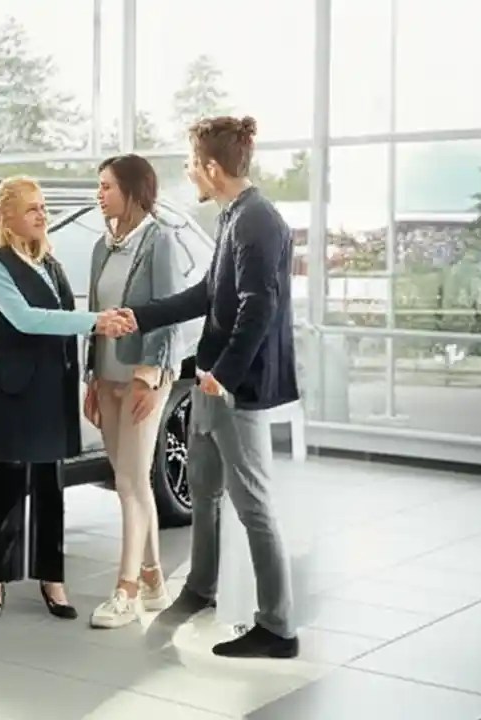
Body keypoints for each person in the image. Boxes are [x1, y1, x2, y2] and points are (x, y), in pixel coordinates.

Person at [114, 116, 301, 658]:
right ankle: (201, 587)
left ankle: (278, 628)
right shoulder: (232, 217)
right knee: (204, 491)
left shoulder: (258, 222)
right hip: (211, 377)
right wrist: (140, 316)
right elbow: (207, 295)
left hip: (231, 388)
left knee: (254, 505)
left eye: (192, 164)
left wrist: (225, 377)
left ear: (213, 168)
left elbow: (258, 307)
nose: (189, 172)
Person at [0, 175, 133, 621]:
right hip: (16, 390)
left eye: (42, 207)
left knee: (50, 488)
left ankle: (52, 580)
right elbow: (26, 319)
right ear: (7, 218)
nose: (42, 215)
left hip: (52, 389)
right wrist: (95, 321)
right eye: (32, 209)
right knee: (5, 488)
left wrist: (87, 375)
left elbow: (61, 319)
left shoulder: (52, 263)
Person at [82, 155, 191, 629]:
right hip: (107, 376)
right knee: (132, 480)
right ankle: (153, 581)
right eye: (99, 185)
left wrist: (150, 376)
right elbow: (95, 316)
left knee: (127, 481)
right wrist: (91, 377)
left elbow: (168, 312)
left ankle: (125, 590)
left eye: (106, 186)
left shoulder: (159, 240)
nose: (99, 193)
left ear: (132, 190)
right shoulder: (101, 247)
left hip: (146, 377)